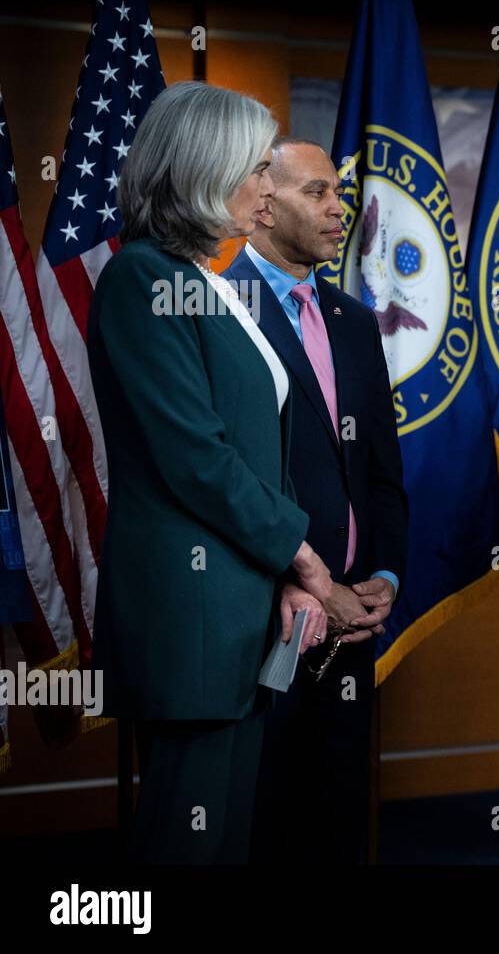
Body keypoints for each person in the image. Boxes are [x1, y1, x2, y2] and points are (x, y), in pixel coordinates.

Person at [88, 83, 338, 863]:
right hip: (188, 617)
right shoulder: (142, 279)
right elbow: (195, 456)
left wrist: (290, 577)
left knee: (222, 841)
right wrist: (302, 555)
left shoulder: (208, 283)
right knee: (183, 846)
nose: (269, 186)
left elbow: (258, 446)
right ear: (205, 167)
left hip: (239, 613)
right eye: (257, 167)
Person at [223, 137, 408, 864]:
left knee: (337, 826)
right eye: (318, 193)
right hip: (263, 616)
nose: (340, 208)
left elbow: (382, 474)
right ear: (263, 203)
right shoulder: (213, 306)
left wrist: (386, 577)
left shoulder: (355, 320)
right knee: (261, 826)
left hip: (353, 622)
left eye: (340, 192)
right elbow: (216, 475)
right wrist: (297, 583)